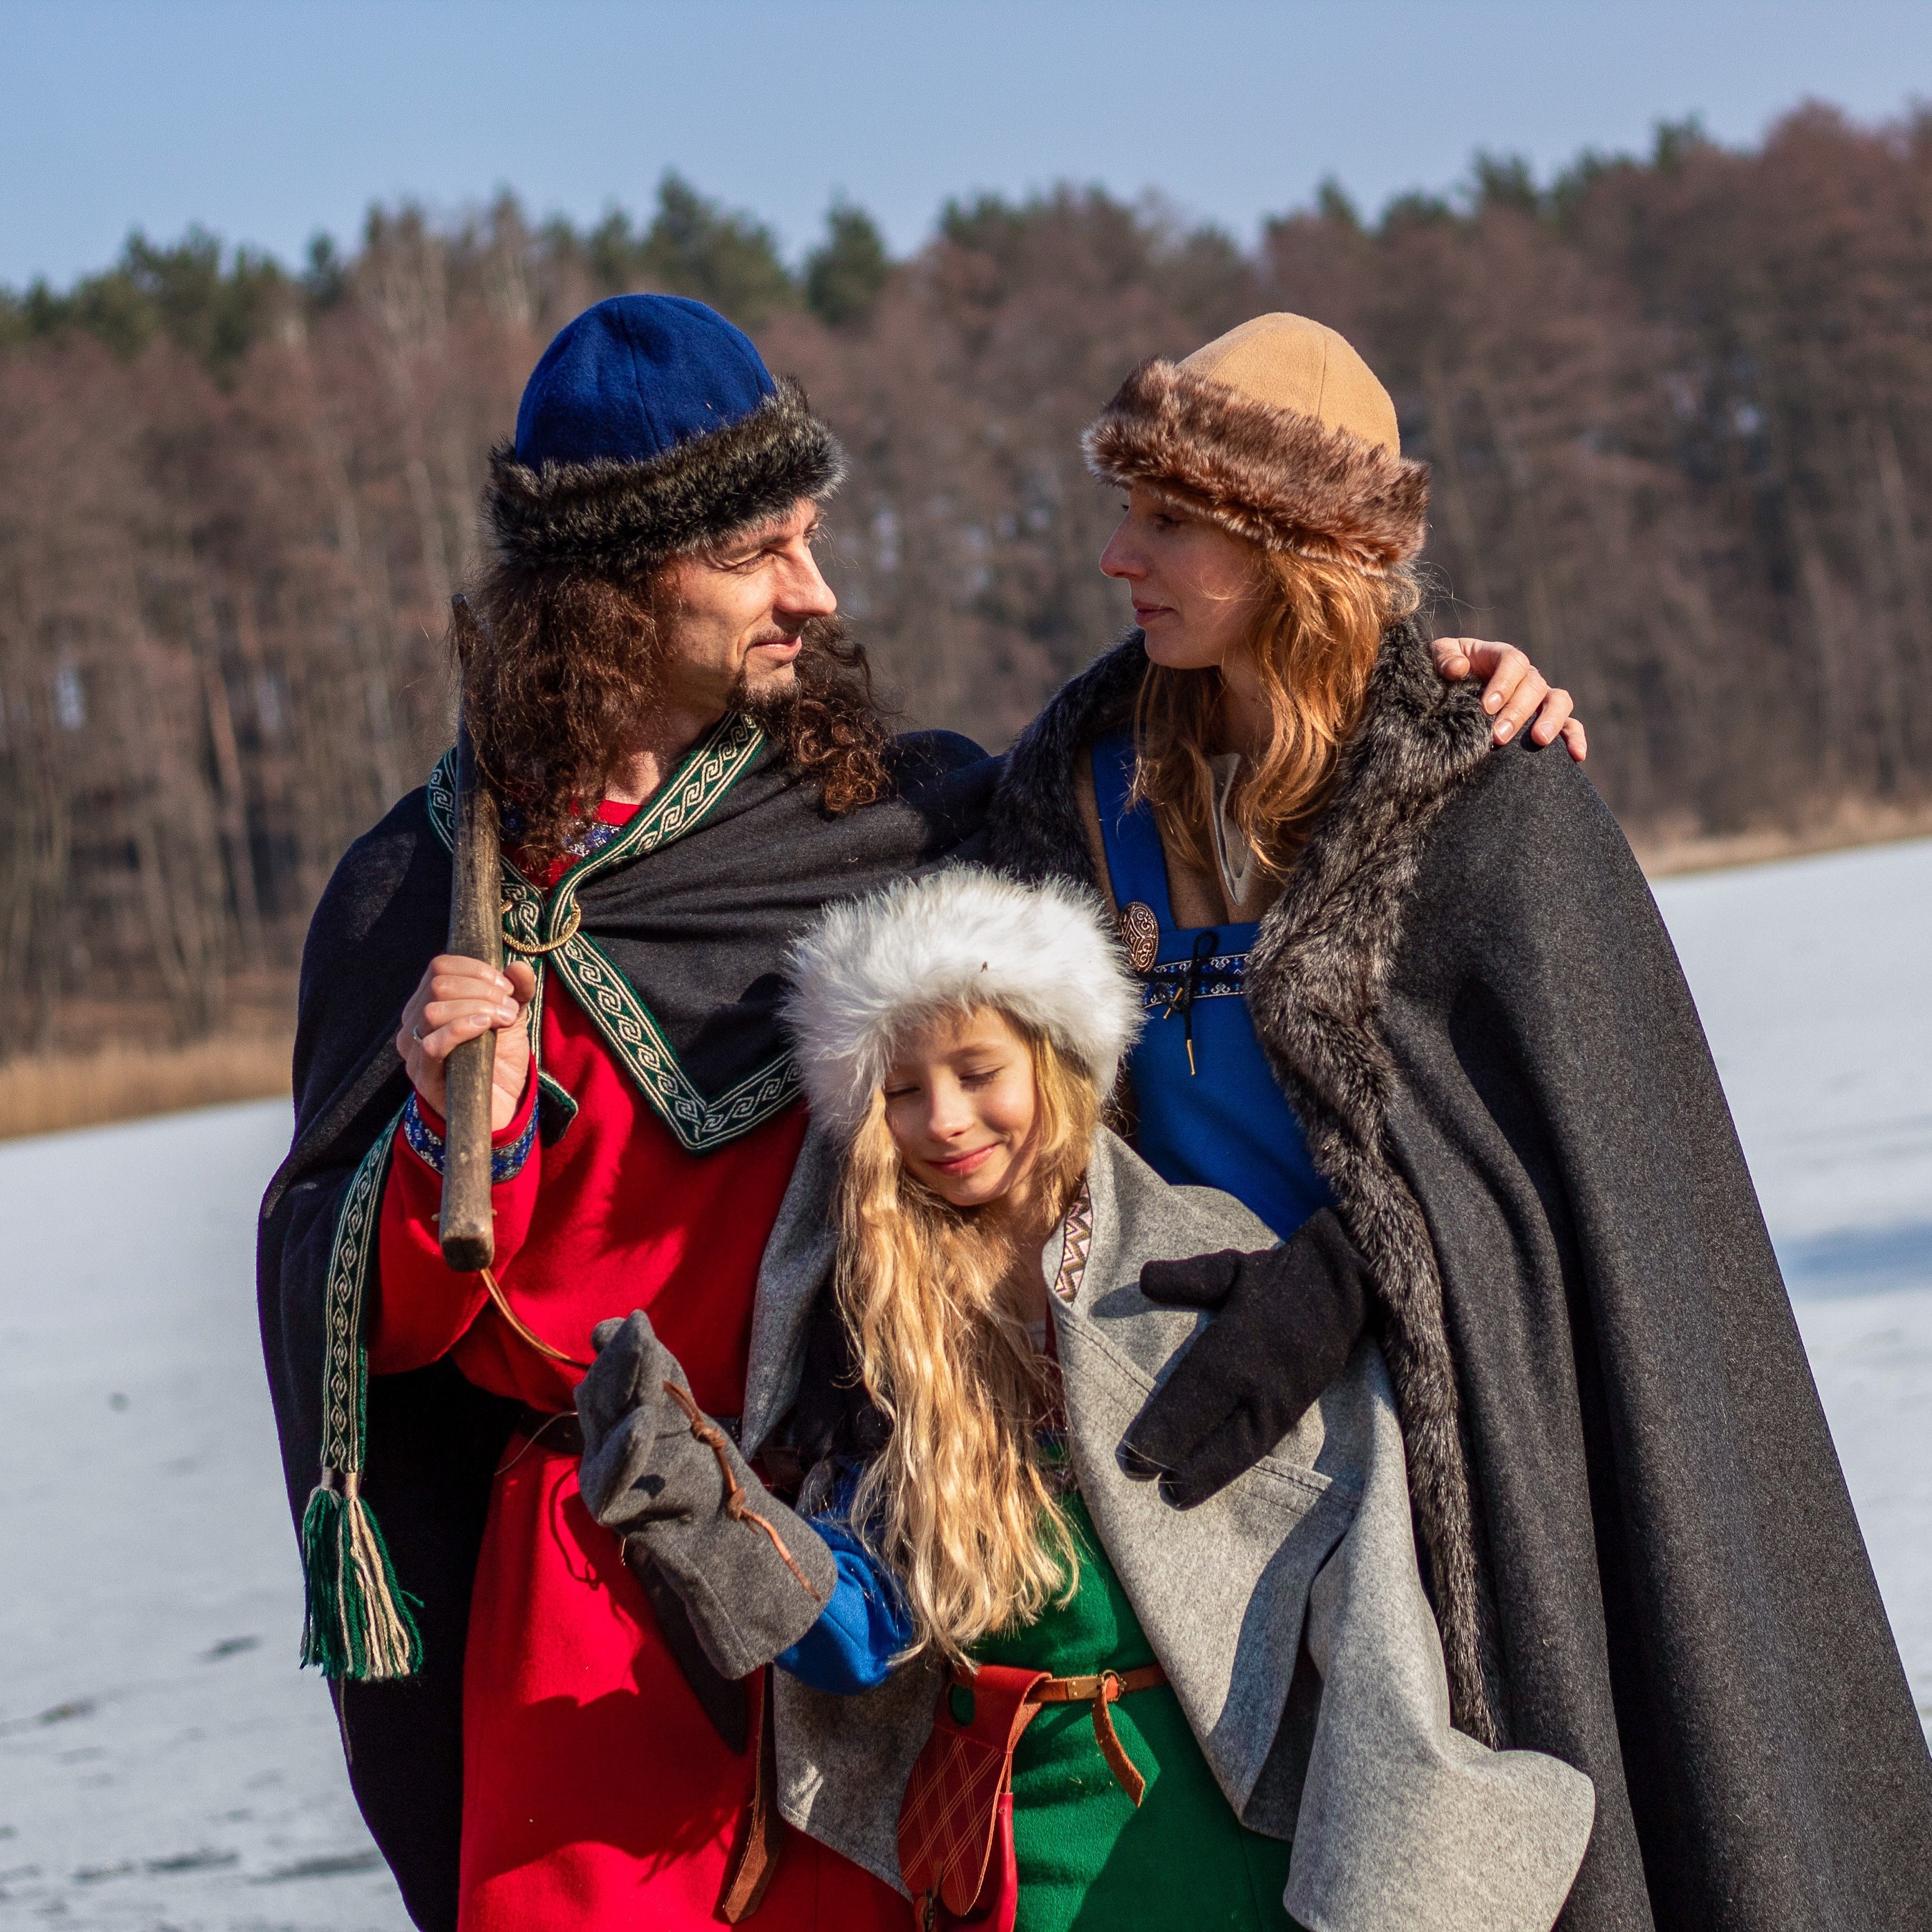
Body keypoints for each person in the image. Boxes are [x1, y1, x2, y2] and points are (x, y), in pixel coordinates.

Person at [255, 293, 1587, 1932]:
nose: (812, 592)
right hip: (607, 1606)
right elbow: (374, 1341)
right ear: (619, 579)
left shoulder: (892, 818)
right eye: (759, 553)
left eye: (809, 538)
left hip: (883, 1542)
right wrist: (469, 1127)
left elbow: (1176, 752)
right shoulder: (416, 890)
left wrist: (1415, 692)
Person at [980, 311, 1932, 1928]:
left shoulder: (1491, 791)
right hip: (1201, 1465)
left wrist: (1364, 1267)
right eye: (1127, 508)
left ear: (1294, 548)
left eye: (1167, 520)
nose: (1118, 555)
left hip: (1477, 1456)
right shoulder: (1072, 793)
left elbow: (1596, 1198)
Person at [575, 867, 1596, 1932]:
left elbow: (1358, 1582)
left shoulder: (1198, 1268)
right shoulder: (889, 1333)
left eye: (978, 1072)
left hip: (1213, 1829)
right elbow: (866, 1636)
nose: (946, 1119)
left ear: (1054, 1064)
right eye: (903, 1090)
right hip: (1005, 1858)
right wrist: (712, 1522)